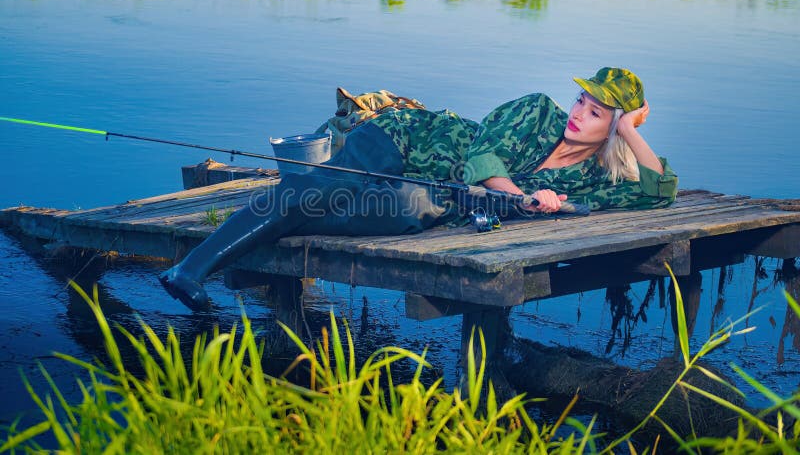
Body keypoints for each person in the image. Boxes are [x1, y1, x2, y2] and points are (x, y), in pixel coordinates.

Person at [160, 67, 678, 310]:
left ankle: (273, 214)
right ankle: (189, 271)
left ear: (612, 128)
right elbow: (482, 161)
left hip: (433, 198)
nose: (578, 113)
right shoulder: (537, 111)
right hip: (405, 140)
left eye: (597, 113)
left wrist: (630, 129)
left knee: (373, 211)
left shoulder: (595, 178)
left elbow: (661, 191)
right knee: (322, 189)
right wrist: (522, 198)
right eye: (582, 101)